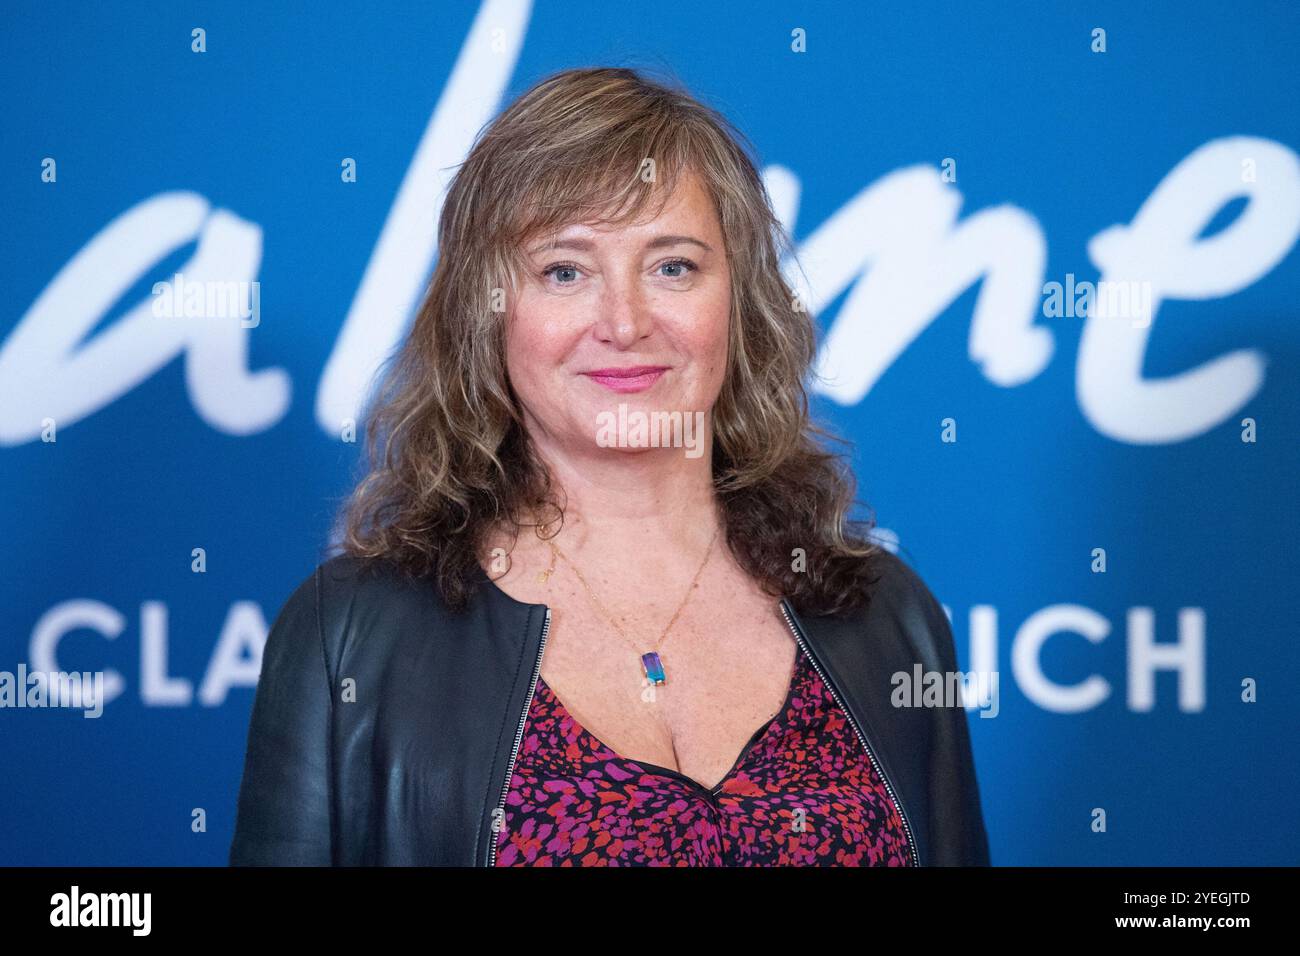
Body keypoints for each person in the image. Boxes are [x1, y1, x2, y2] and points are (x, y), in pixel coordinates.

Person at [229, 66, 990, 867]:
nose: (624, 323)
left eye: (672, 267)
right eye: (565, 271)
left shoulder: (886, 617)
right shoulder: (347, 635)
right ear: (485, 314)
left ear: (740, 300)